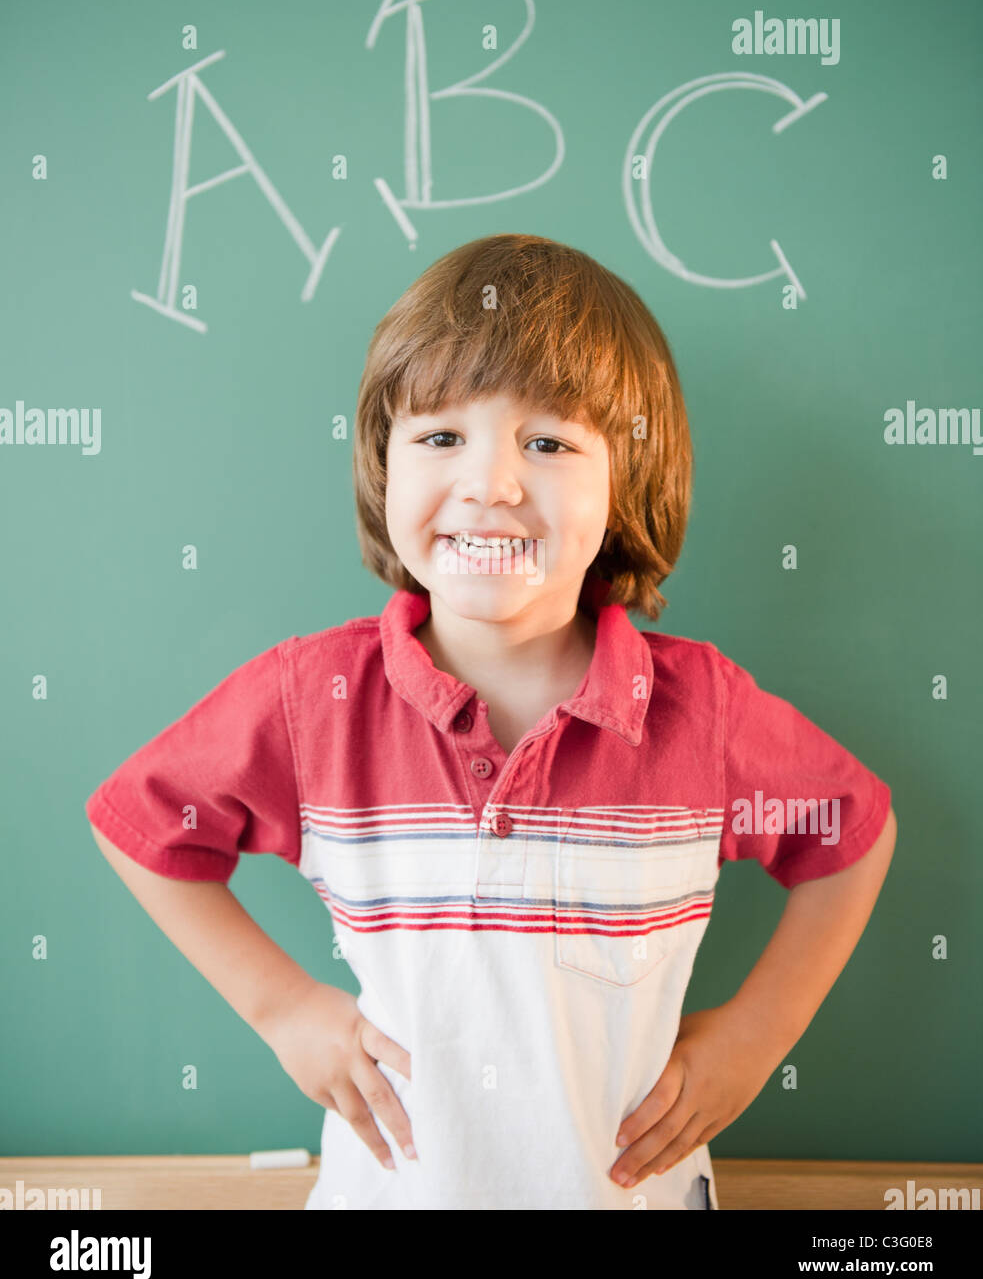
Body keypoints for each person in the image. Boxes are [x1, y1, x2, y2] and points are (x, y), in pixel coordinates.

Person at [86, 233, 896, 1210]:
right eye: (440, 437)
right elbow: (139, 822)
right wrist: (285, 1008)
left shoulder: (700, 712)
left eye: (547, 443)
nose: (491, 483)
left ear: (622, 480)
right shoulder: (315, 699)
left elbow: (849, 833)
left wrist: (756, 1035)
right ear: (385, 465)